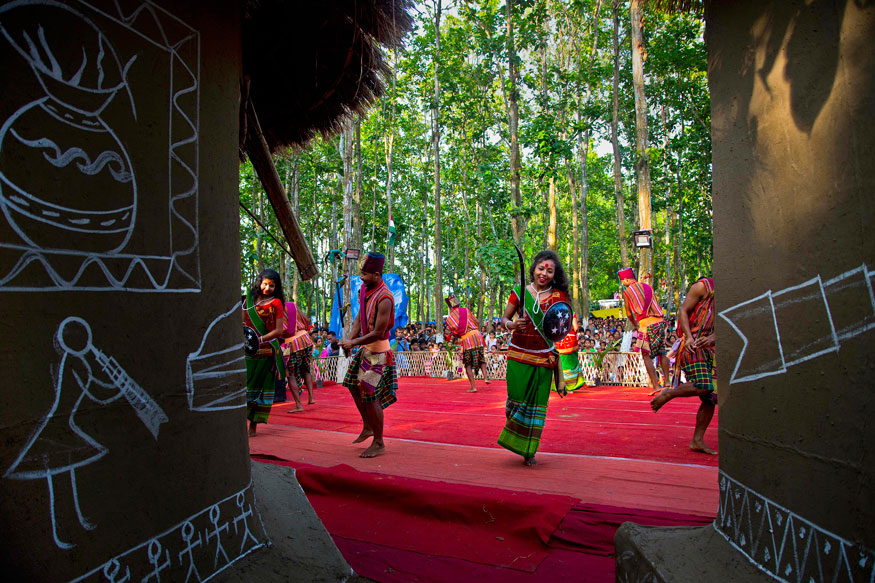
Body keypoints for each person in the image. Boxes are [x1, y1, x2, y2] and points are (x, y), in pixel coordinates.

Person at [498, 250, 570, 466]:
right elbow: (504, 319)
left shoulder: (559, 297)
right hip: (518, 356)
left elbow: (561, 326)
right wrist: (512, 325)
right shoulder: (520, 293)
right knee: (515, 402)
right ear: (533, 269)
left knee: (537, 406)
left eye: (549, 271)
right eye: (541, 268)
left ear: (554, 274)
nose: (544, 273)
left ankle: (529, 451)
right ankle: (516, 439)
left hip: (543, 358)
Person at [340, 252, 398, 458]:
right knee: (352, 386)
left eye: (365, 274)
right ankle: (368, 426)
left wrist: (353, 342)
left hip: (379, 353)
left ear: (376, 274)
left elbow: (378, 333)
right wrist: (348, 340)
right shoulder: (365, 290)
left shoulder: (386, 298)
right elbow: (359, 319)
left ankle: (379, 442)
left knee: (370, 395)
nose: (361, 277)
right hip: (365, 351)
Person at [651, 277, 717, 454]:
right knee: (703, 386)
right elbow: (683, 310)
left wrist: (712, 338)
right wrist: (688, 337)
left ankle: (697, 440)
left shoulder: (733, 293)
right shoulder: (703, 287)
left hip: (713, 346)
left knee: (711, 397)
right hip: (692, 343)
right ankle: (669, 392)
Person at [242, 269, 286, 437]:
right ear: (259, 283)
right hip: (247, 350)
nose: (267, 288)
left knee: (259, 389)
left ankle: (253, 426)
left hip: (266, 352)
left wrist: (259, 340)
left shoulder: (276, 303)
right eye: (265, 284)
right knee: (244, 386)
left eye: (272, 285)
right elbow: (241, 321)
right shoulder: (248, 300)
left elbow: (278, 331)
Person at [619, 268, 669, 395]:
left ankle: (656, 386)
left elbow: (629, 313)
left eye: (622, 281)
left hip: (646, 325)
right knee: (662, 352)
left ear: (626, 280)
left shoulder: (627, 292)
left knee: (646, 355)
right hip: (660, 322)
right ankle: (668, 382)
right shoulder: (647, 286)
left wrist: (635, 323)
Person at [444, 295, 491, 392]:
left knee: (467, 364)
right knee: (481, 359)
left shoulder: (450, 318)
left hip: (467, 339)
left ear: (450, 307)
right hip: (477, 335)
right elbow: (477, 321)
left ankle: (473, 387)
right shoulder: (466, 310)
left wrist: (458, 336)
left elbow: (454, 332)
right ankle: (486, 377)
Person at [282, 299, 315, 413]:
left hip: (291, 343)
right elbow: (306, 320)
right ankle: (311, 397)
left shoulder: (275, 309)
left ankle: (298, 405)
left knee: (290, 374)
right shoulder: (292, 305)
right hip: (306, 340)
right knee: (306, 369)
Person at [555, 314, 586, 392]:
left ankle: (560, 385)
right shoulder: (571, 311)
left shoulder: (556, 309)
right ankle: (571, 385)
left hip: (559, 340)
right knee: (572, 363)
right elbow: (576, 328)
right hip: (571, 341)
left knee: (562, 362)